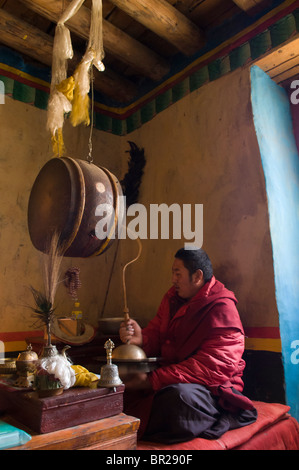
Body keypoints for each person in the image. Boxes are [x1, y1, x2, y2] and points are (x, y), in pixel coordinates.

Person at [119, 247, 257, 444]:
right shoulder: (173, 299)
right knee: (121, 391)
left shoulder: (222, 307)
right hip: (172, 378)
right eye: (172, 273)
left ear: (197, 276)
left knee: (177, 399)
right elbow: (158, 333)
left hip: (212, 389)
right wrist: (142, 339)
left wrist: (153, 380)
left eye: (178, 273)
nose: (173, 279)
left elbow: (211, 367)